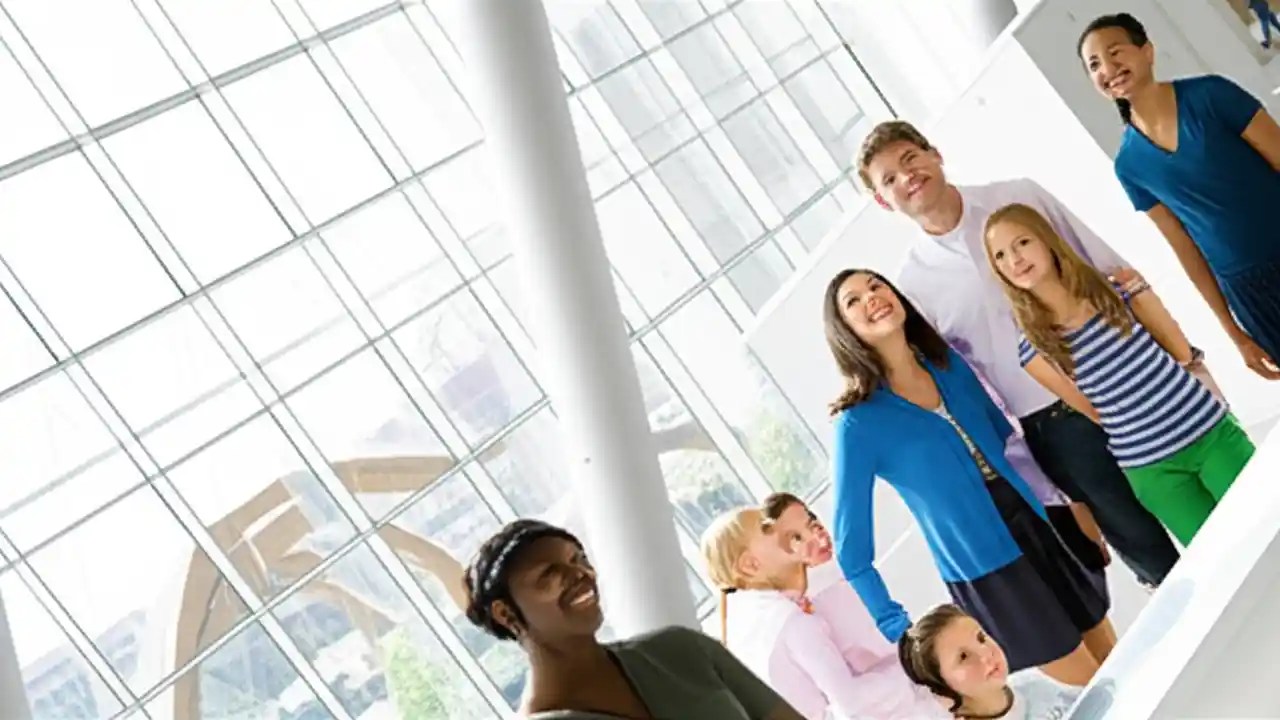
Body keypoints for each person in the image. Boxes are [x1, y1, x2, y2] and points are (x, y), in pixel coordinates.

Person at [856, 120, 1182, 590]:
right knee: (1151, 556)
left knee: (1213, 502)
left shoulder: (1019, 197)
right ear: (883, 201)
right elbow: (962, 384)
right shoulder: (912, 286)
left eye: (911, 159)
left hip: (1130, 377)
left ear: (935, 153)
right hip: (1053, 425)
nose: (906, 177)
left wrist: (1185, 358)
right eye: (889, 179)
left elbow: (1111, 270)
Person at [823, 268, 1112, 687]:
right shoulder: (857, 424)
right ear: (844, 331)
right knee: (1093, 685)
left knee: (1118, 660)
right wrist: (897, 629)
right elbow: (852, 551)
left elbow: (1008, 442)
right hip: (984, 566)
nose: (871, 297)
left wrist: (1070, 504)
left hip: (1036, 525)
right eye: (853, 301)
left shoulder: (948, 363)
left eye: (875, 285)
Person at [984, 203, 1256, 545]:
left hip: (1210, 432)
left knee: (1265, 527)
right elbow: (1093, 411)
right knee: (1222, 562)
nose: (1015, 259)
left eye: (1022, 243)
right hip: (1151, 469)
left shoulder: (1114, 287)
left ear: (1046, 240)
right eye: (1000, 256)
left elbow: (1180, 351)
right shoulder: (1033, 350)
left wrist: (1144, 294)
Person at [1079, 13, 1280, 380]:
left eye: (1115, 52)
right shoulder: (1129, 165)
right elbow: (1185, 248)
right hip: (1249, 293)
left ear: (1147, 52)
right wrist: (1234, 333)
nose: (1108, 68)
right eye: (1094, 65)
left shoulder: (1211, 95)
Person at [463, 519, 803, 719]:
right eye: (550, 574)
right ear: (506, 613)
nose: (580, 574)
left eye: (578, 559)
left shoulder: (680, 650)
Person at [701, 508, 947, 719]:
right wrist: (912, 667)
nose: (780, 528)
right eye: (766, 528)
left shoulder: (750, 627)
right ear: (750, 565)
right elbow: (851, 702)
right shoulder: (791, 623)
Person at [899, 604, 1084, 720]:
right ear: (941, 690)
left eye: (981, 638)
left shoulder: (1035, 684)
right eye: (963, 657)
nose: (986, 653)